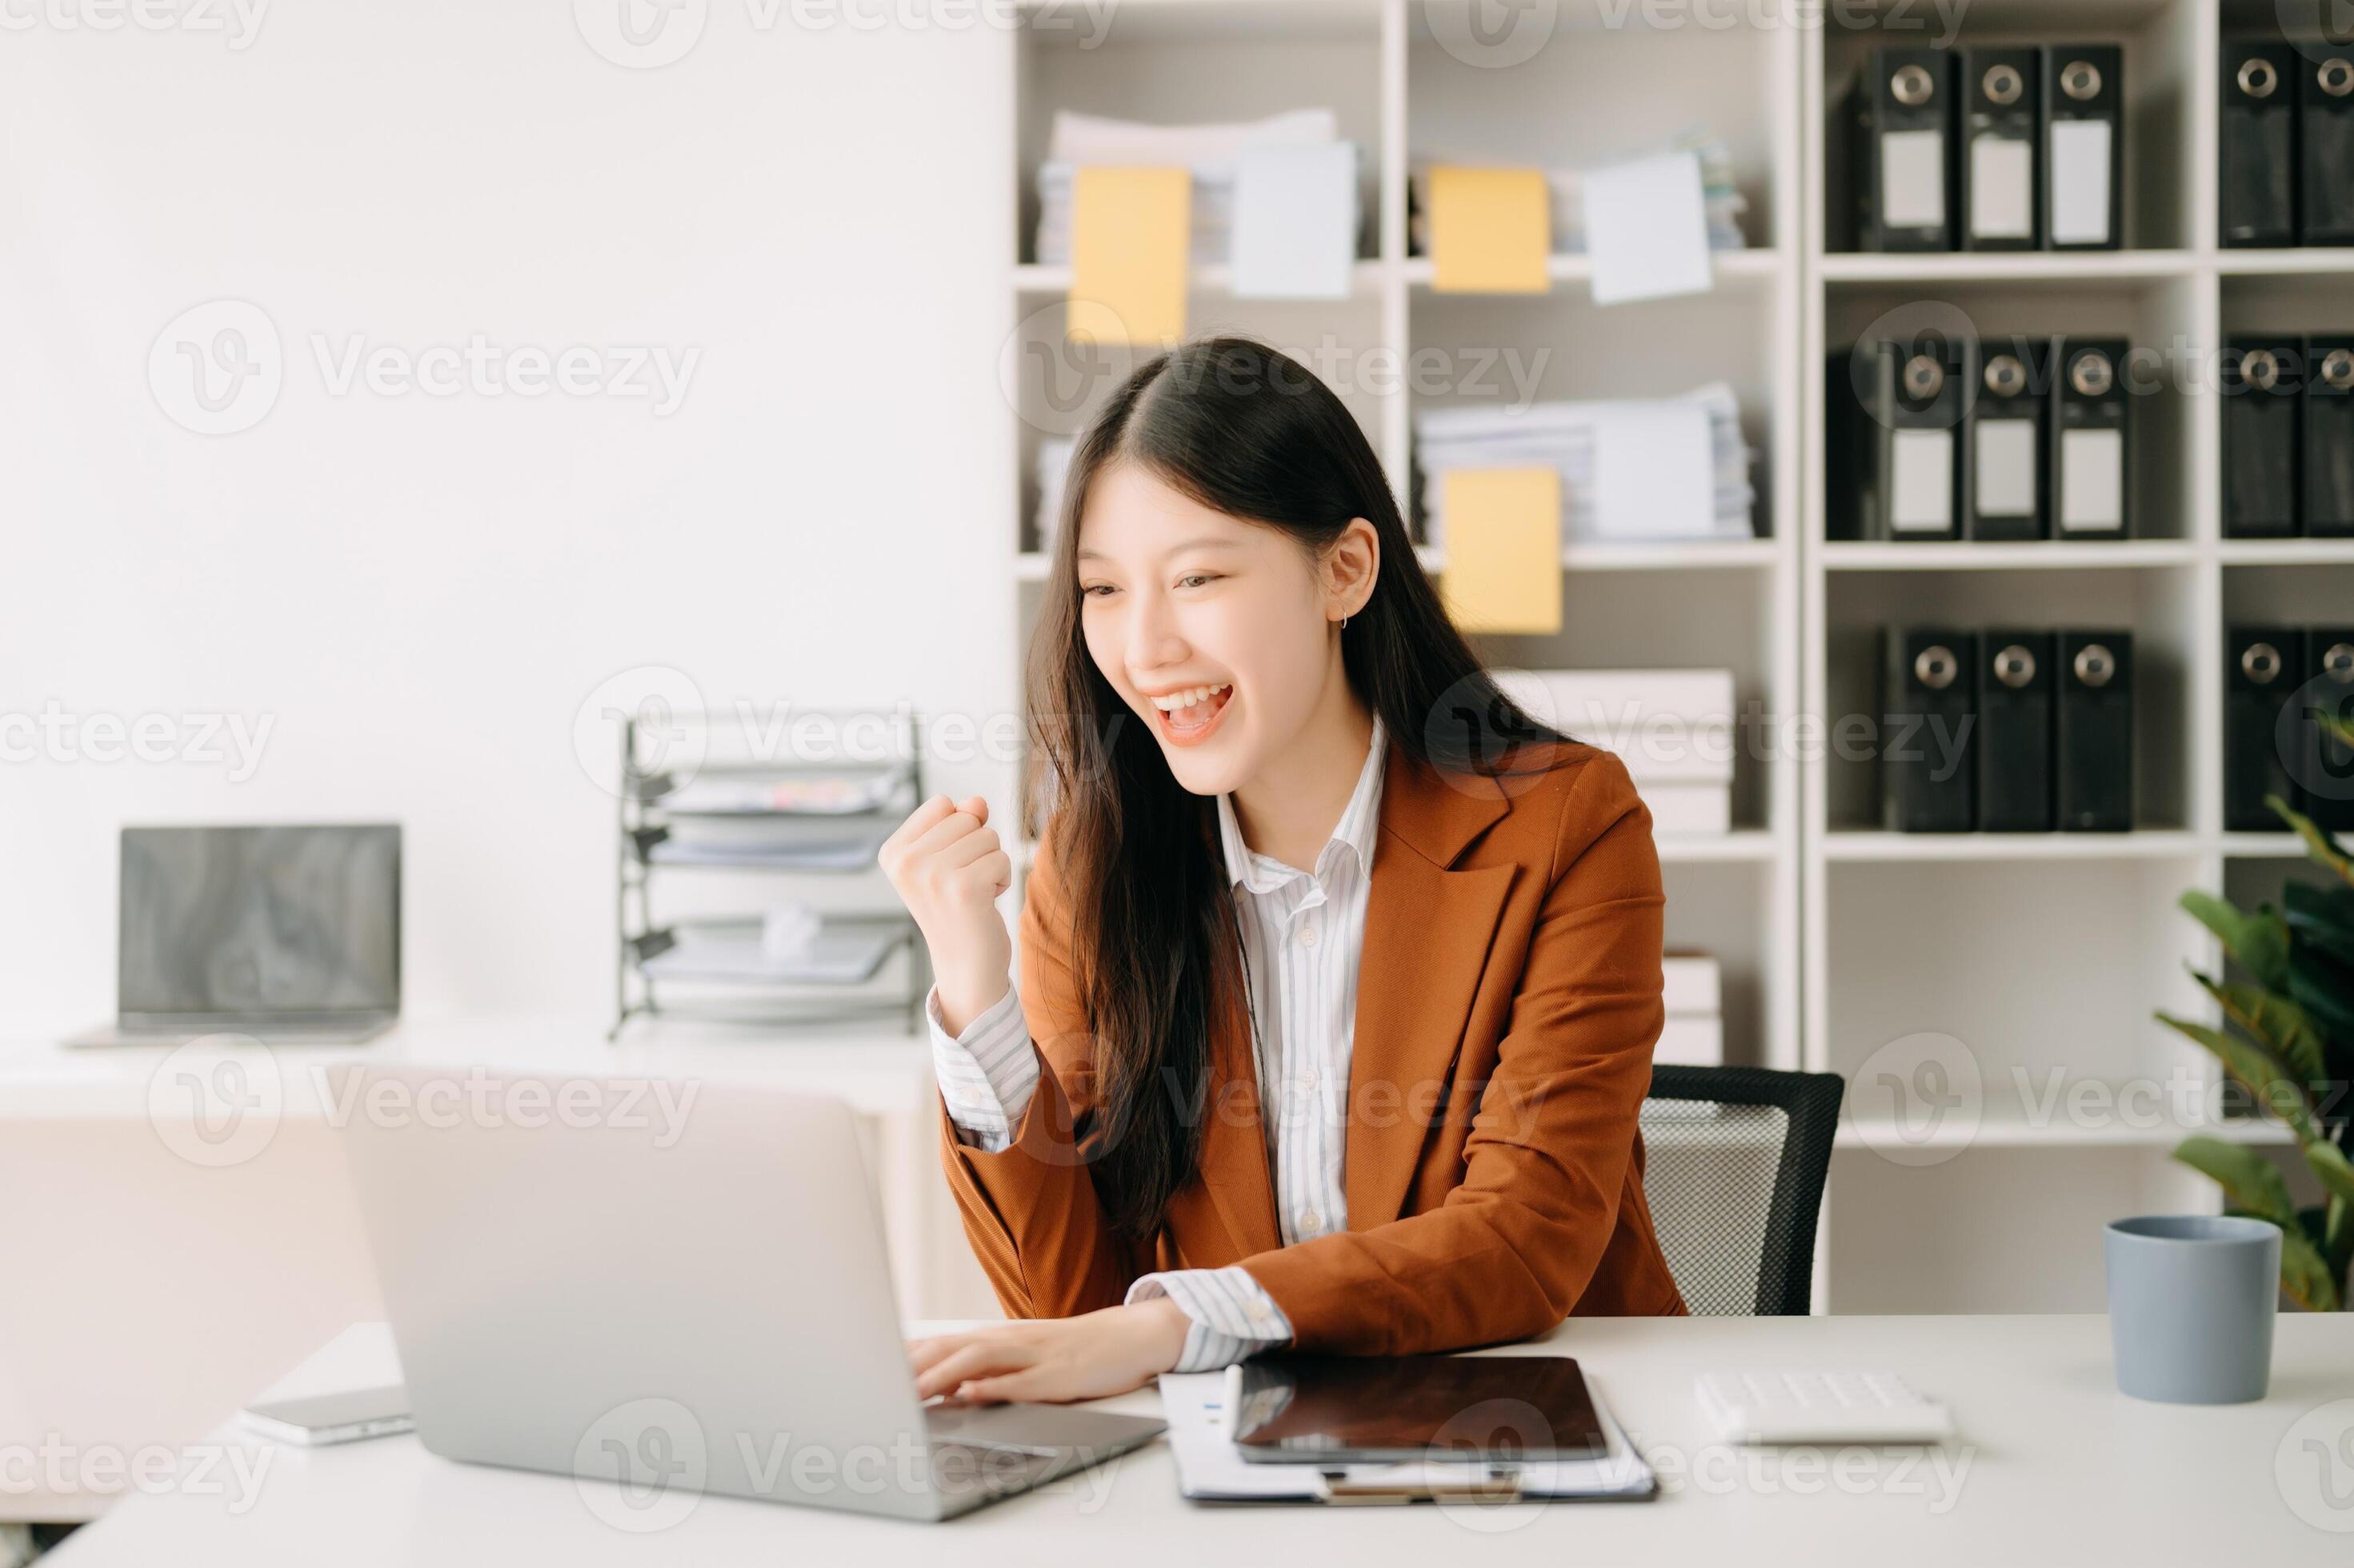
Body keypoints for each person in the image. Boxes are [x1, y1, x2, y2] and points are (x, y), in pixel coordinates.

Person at [879, 336, 1685, 1407]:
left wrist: (1186, 1322)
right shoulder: (1098, 860)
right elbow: (1070, 1309)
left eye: (1198, 577)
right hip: (1253, 1437)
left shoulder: (1564, 824)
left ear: (1344, 570)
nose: (1144, 646)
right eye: (1103, 591)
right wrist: (975, 993)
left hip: (1534, 1409)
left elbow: (1522, 1239)